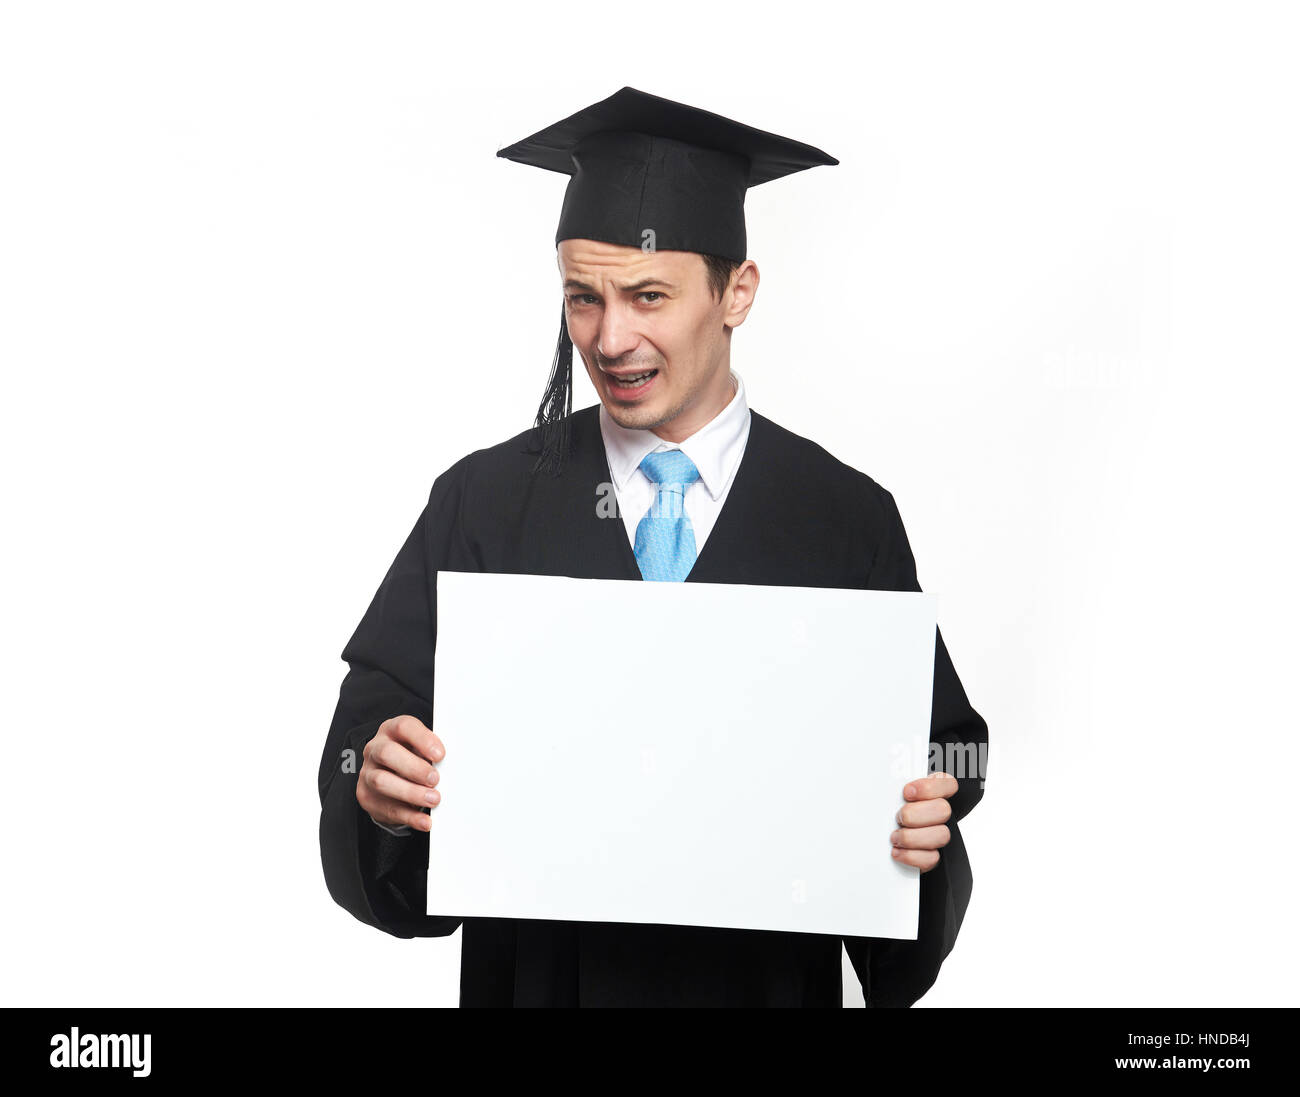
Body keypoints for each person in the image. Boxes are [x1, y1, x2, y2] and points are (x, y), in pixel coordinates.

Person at [317, 87, 988, 1007]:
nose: (610, 337)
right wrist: (381, 785)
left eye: (648, 295)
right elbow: (366, 733)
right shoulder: (485, 502)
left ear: (736, 292)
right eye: (582, 299)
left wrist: (924, 825)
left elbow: (953, 755)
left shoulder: (843, 519)